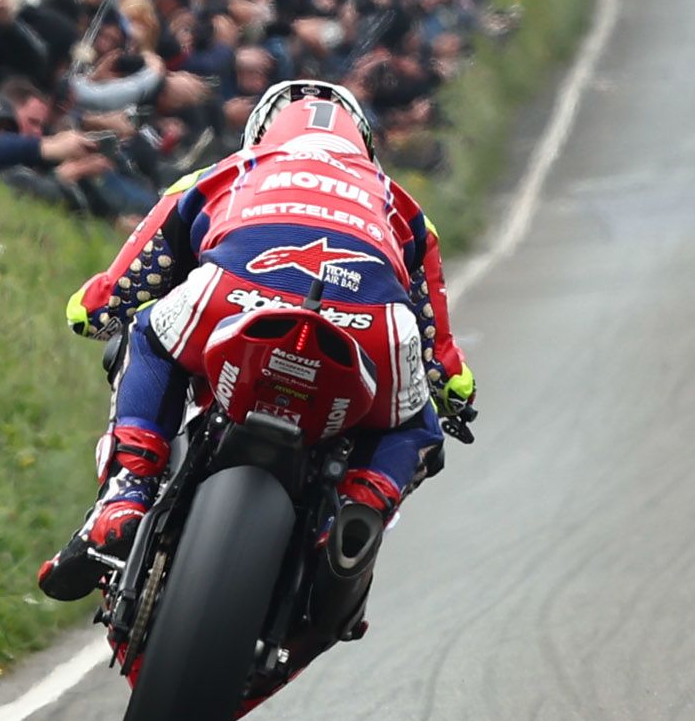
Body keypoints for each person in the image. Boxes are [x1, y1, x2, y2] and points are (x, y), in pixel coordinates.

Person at [39, 78, 477, 601]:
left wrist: (89, 313)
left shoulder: (223, 173)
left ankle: (126, 495)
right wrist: (457, 398)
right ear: (365, 145)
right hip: (368, 329)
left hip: (234, 299)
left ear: (260, 134)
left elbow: (114, 296)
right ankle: (354, 515)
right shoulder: (404, 209)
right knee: (418, 422)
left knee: (150, 336)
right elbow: (439, 356)